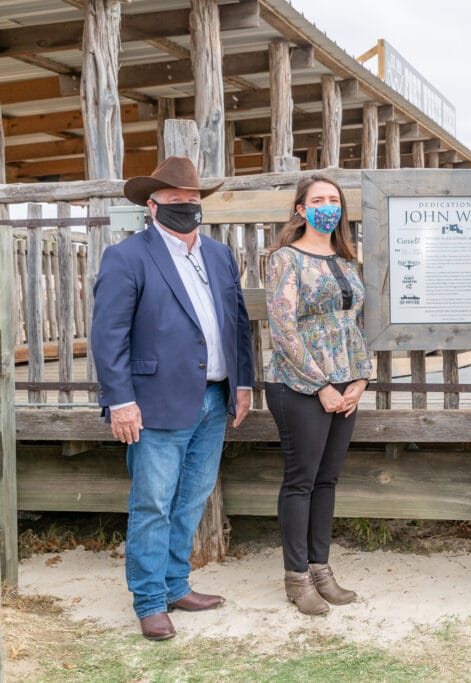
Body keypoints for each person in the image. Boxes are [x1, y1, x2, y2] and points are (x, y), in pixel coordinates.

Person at [92, 156, 254, 641]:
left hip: (214, 398)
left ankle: (175, 584)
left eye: (193, 199)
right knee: (153, 503)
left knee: (192, 500)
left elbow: (237, 324)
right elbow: (109, 335)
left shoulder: (220, 256)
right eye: (177, 200)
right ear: (152, 204)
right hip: (154, 401)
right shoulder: (128, 257)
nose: (187, 206)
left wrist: (242, 383)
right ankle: (148, 601)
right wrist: (120, 401)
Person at [264, 173, 373, 615]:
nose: (327, 206)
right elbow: (283, 329)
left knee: (327, 480)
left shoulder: (347, 261)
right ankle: (296, 578)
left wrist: (360, 380)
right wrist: (321, 386)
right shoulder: (284, 259)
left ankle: (321, 569)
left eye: (334, 200)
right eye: (318, 200)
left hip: (345, 388)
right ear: (301, 209)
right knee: (301, 480)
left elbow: (353, 326)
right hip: (299, 385)